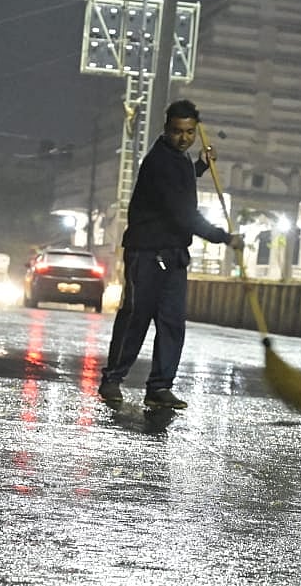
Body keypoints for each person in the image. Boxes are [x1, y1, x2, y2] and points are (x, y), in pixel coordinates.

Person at [97, 99, 243, 409]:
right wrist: (225, 237)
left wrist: (200, 167)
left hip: (174, 255)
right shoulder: (159, 161)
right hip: (147, 253)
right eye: (177, 132)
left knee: (172, 323)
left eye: (190, 132)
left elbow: (183, 182)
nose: (184, 138)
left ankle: (160, 386)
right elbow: (184, 214)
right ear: (166, 130)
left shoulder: (179, 159)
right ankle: (112, 379)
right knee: (136, 317)